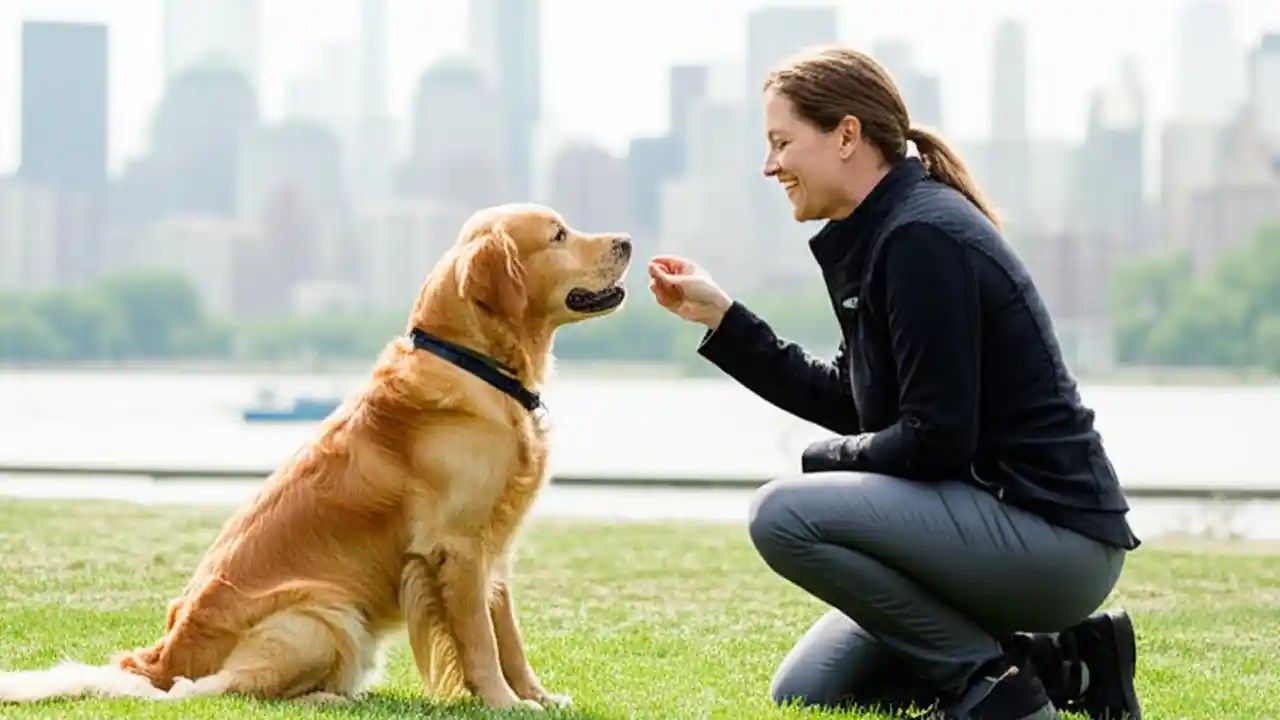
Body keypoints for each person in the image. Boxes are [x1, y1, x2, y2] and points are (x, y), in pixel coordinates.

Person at [647, 46, 1143, 720]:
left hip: (1052, 539)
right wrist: (725, 319)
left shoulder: (921, 239)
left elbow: (936, 440)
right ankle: (1070, 661)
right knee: (809, 690)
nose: (770, 166)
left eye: (781, 142)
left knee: (780, 515)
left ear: (847, 135)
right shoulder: (880, 233)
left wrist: (825, 463)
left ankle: (992, 690)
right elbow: (856, 402)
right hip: (988, 527)